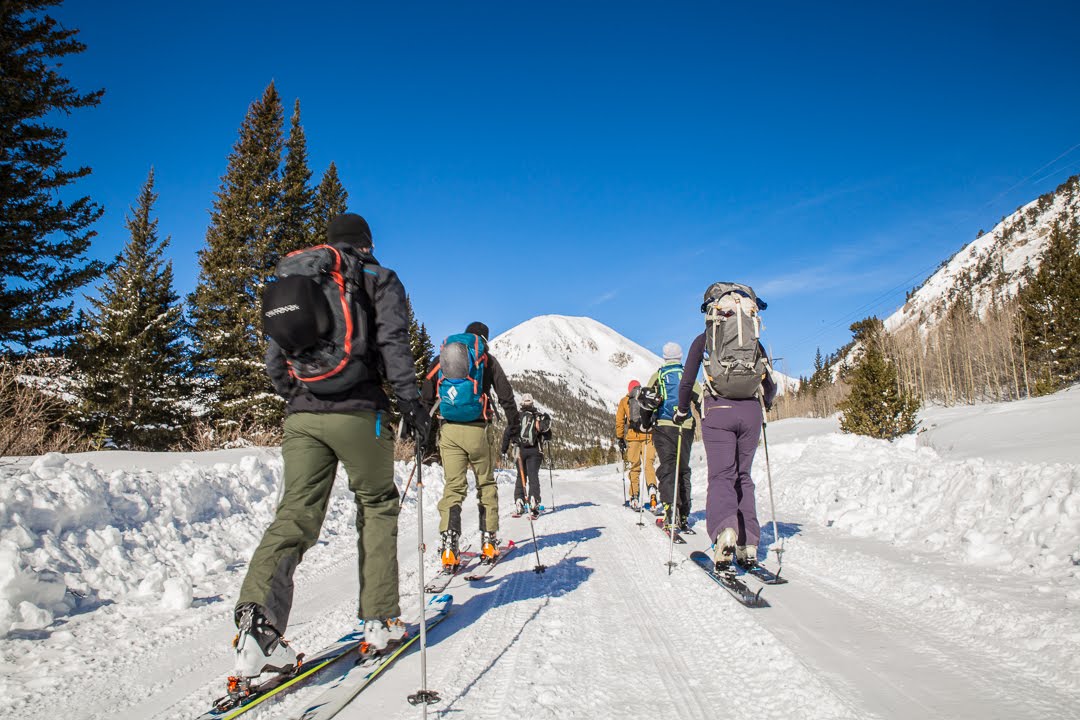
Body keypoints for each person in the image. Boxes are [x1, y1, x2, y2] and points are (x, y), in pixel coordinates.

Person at [232, 212, 430, 680]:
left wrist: (298, 396)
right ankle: (380, 618)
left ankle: (257, 630)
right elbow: (393, 343)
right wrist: (410, 402)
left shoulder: (301, 278)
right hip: (360, 411)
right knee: (377, 504)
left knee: (294, 514)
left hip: (302, 415)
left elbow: (276, 357)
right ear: (367, 242)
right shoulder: (377, 278)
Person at [674, 283, 777, 571]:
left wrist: (683, 410)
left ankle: (725, 531)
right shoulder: (753, 340)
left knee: (721, 476)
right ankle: (749, 542)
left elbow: (687, 382)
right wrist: (765, 403)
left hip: (718, 410)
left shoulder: (705, 338)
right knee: (743, 476)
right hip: (751, 411)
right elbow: (770, 383)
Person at [422, 321, 519, 567]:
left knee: (453, 487)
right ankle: (488, 542)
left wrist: (422, 432)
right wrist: (514, 427)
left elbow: (425, 391)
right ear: (484, 339)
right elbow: (506, 394)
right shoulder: (487, 359)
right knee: (485, 484)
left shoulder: (444, 357)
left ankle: (449, 548)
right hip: (477, 429)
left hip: (449, 430)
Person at [645, 342, 702, 533]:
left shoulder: (658, 376)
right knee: (683, 468)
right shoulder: (688, 376)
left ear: (664, 356)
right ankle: (684, 513)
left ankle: (670, 511)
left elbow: (647, 402)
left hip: (664, 427)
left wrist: (647, 423)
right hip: (685, 427)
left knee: (668, 468)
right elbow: (700, 398)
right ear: (680, 356)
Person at [505, 393, 552, 518]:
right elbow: (548, 435)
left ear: (521, 403)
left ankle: (519, 502)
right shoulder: (538, 417)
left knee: (521, 477)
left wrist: (504, 449)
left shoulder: (517, 417)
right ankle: (533, 502)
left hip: (519, 451)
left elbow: (508, 432)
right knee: (533, 477)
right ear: (532, 403)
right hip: (535, 451)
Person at [615, 380, 657, 510]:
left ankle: (634, 497)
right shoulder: (646, 397)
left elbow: (620, 421)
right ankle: (652, 493)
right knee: (649, 465)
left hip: (633, 438)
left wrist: (620, 438)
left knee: (635, 467)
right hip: (648, 436)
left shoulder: (625, 401)